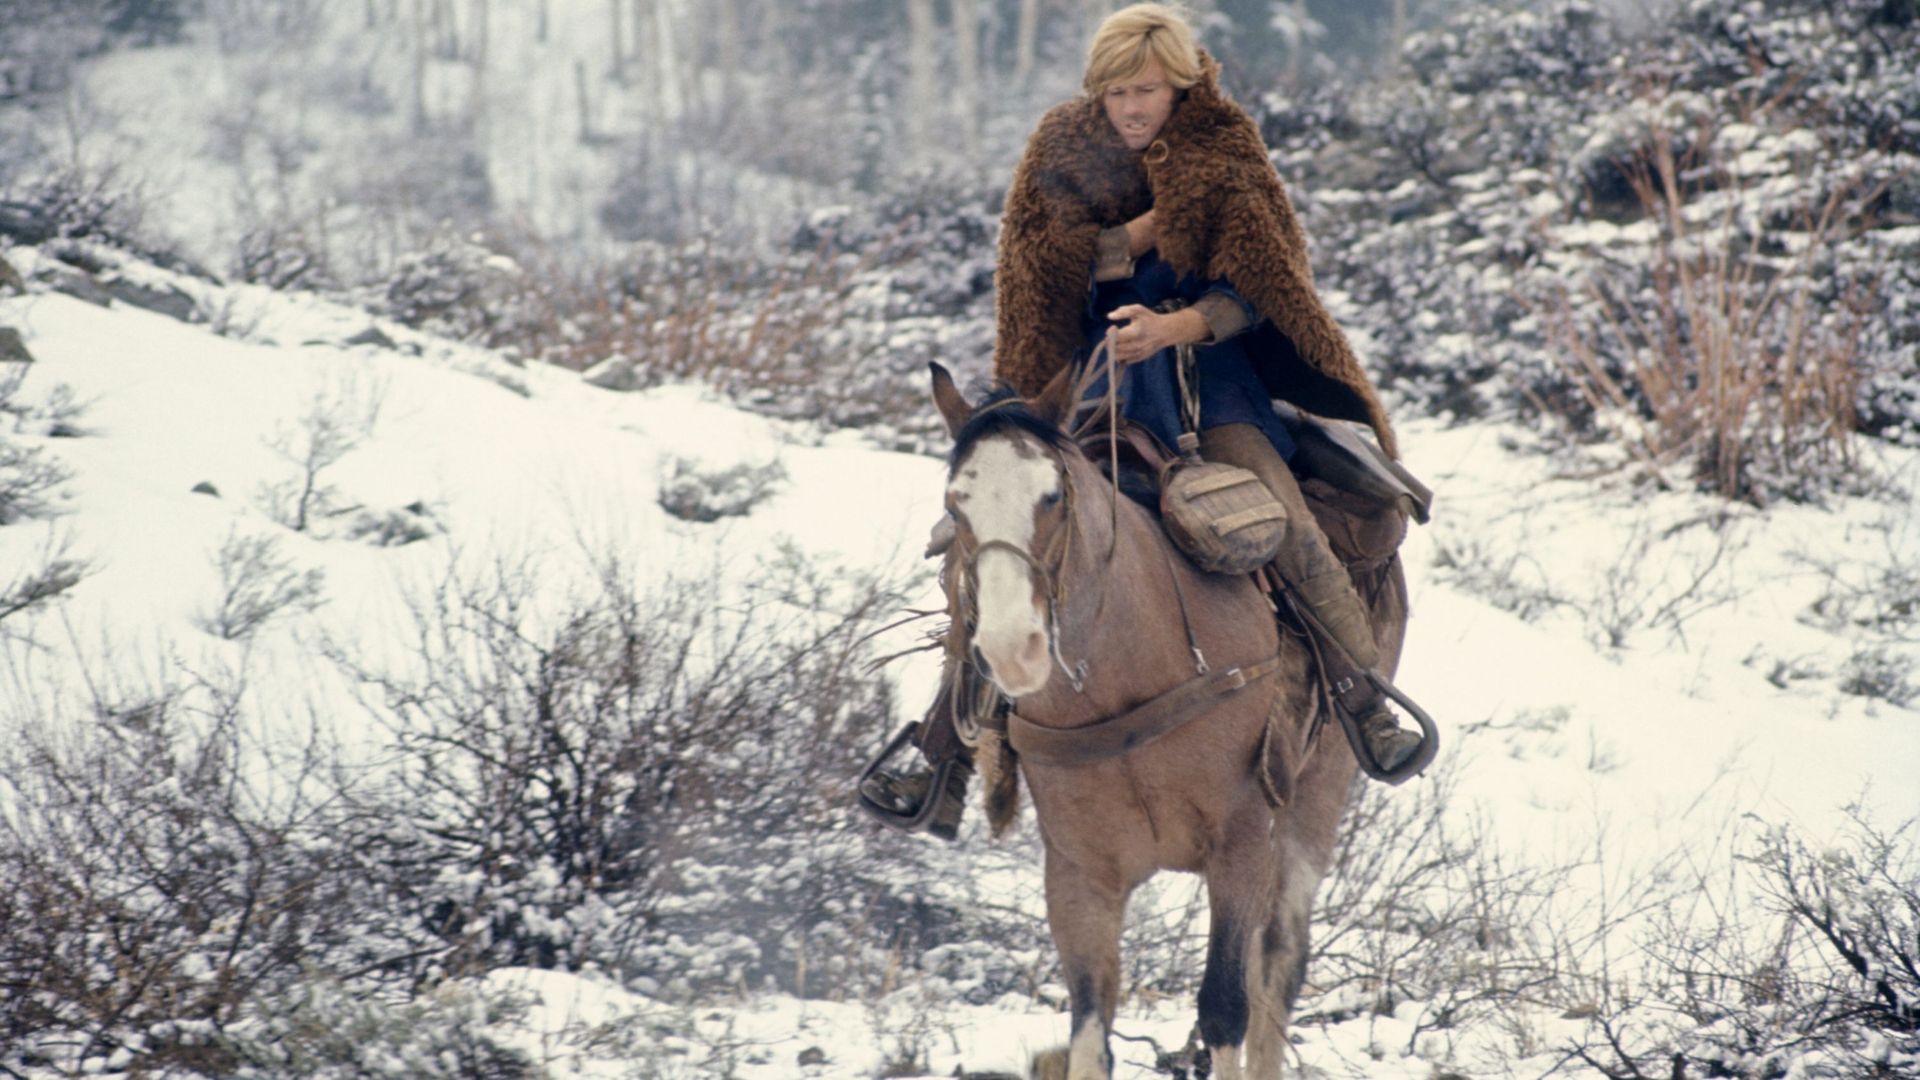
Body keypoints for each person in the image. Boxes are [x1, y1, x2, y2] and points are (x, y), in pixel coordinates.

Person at [862, 3, 1426, 838]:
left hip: (1211, 387)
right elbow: (1043, 261)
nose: (1132, 108)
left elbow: (1257, 289)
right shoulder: (1061, 148)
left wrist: (1178, 326)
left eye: (1149, 92)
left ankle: (1363, 697)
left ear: (1181, 88)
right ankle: (942, 751)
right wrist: (1141, 232)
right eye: (1119, 91)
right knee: (996, 537)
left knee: (1287, 520)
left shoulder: (1226, 150)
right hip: (1085, 386)